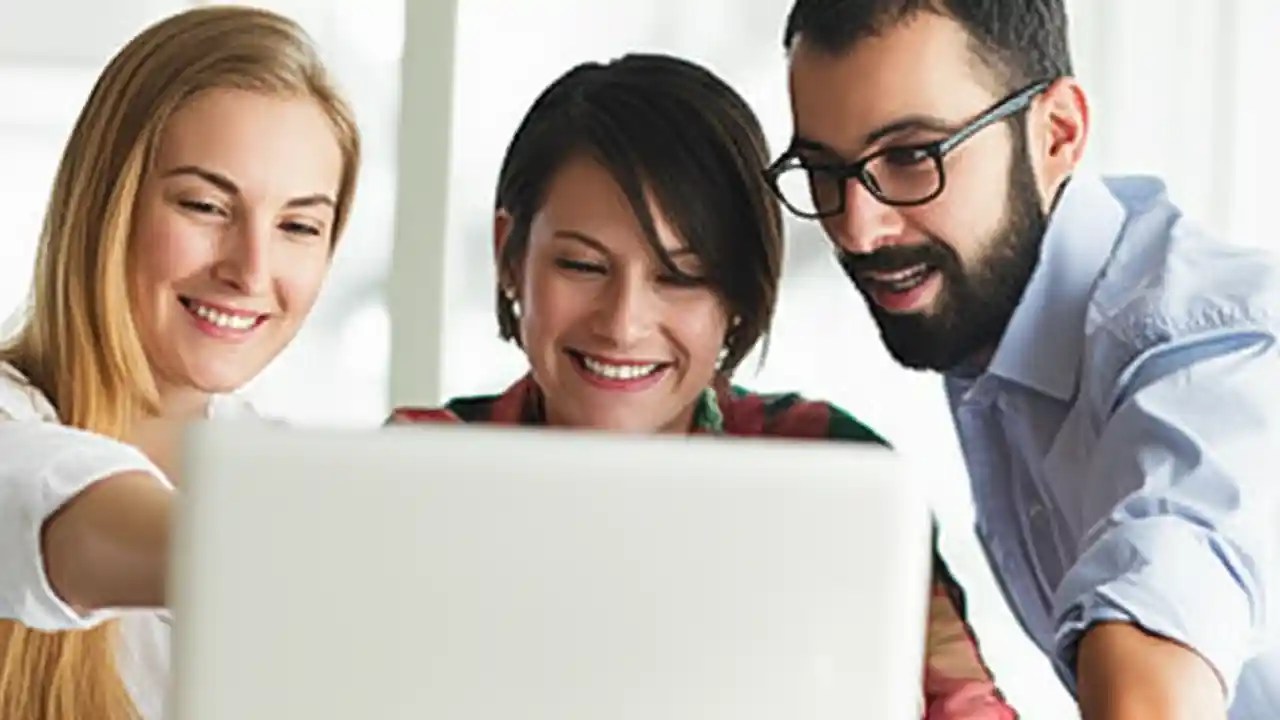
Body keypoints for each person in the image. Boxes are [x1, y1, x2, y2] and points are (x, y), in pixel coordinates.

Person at [389, 52, 1016, 719]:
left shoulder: (826, 469)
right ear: (510, 257)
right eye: (581, 265)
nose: (623, 324)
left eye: (681, 277)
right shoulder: (416, 468)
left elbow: (966, 706)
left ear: (739, 295)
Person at [767, 1, 1279, 718]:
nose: (858, 228)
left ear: (1057, 133)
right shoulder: (996, 322)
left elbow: (1150, 692)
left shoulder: (1205, 346)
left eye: (913, 156)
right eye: (824, 170)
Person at [0, 6, 360, 719]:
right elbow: (56, 506)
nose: (252, 271)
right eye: (204, 205)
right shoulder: (13, 425)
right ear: (107, 206)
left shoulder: (286, 468)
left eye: (297, 226)